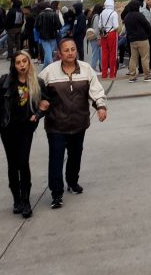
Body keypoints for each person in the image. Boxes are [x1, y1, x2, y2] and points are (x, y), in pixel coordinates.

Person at [39, 36, 108, 209]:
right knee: (56, 158)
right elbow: (36, 89)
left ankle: (72, 181)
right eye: (66, 50)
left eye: (73, 49)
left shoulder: (86, 69)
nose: (70, 53)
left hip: (79, 122)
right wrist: (41, 102)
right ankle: (56, 193)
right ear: (59, 53)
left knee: (75, 155)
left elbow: (96, 90)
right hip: (56, 125)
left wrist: (100, 106)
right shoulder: (49, 71)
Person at [0, 50, 50, 218]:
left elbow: (48, 100)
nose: (22, 65)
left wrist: (39, 113)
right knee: (12, 164)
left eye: (24, 61)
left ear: (29, 63)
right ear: (13, 65)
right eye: (18, 62)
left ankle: (26, 200)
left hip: (26, 129)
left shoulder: (38, 83)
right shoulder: (5, 81)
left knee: (23, 163)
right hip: (8, 129)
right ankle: (16, 199)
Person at [122, 0, 151, 82]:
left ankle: (132, 76)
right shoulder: (139, 15)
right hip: (142, 39)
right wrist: (147, 34)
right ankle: (147, 76)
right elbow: (147, 25)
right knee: (144, 58)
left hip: (132, 40)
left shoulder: (127, 17)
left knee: (133, 58)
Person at [95, 0, 120, 79]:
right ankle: (112, 74)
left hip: (103, 35)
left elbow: (99, 26)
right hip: (112, 34)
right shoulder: (114, 13)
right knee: (113, 54)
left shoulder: (102, 13)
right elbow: (116, 26)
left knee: (104, 55)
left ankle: (104, 74)